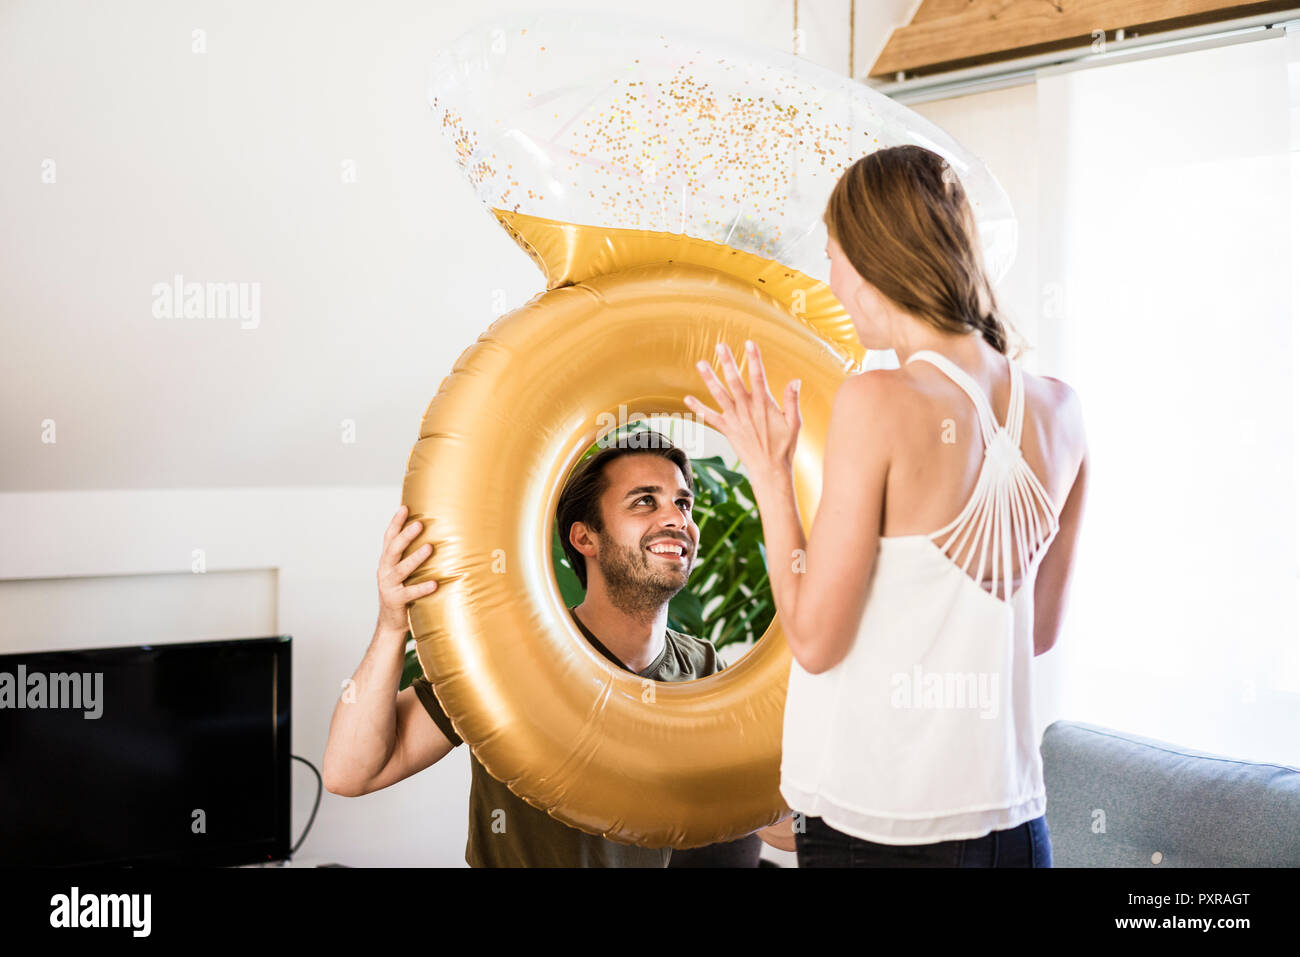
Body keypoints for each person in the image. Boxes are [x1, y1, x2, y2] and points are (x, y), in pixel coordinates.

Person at [683, 144, 1089, 867]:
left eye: (833, 255)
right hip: (1015, 829)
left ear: (875, 262)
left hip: (883, 833)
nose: (831, 281)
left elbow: (814, 640)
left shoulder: (880, 401)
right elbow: (1039, 631)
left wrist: (771, 474)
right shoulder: (1062, 410)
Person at [322, 437, 790, 866]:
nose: (677, 519)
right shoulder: (515, 658)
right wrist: (390, 625)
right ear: (585, 537)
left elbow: (782, 828)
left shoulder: (704, 668)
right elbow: (351, 773)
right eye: (645, 501)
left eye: (682, 502)